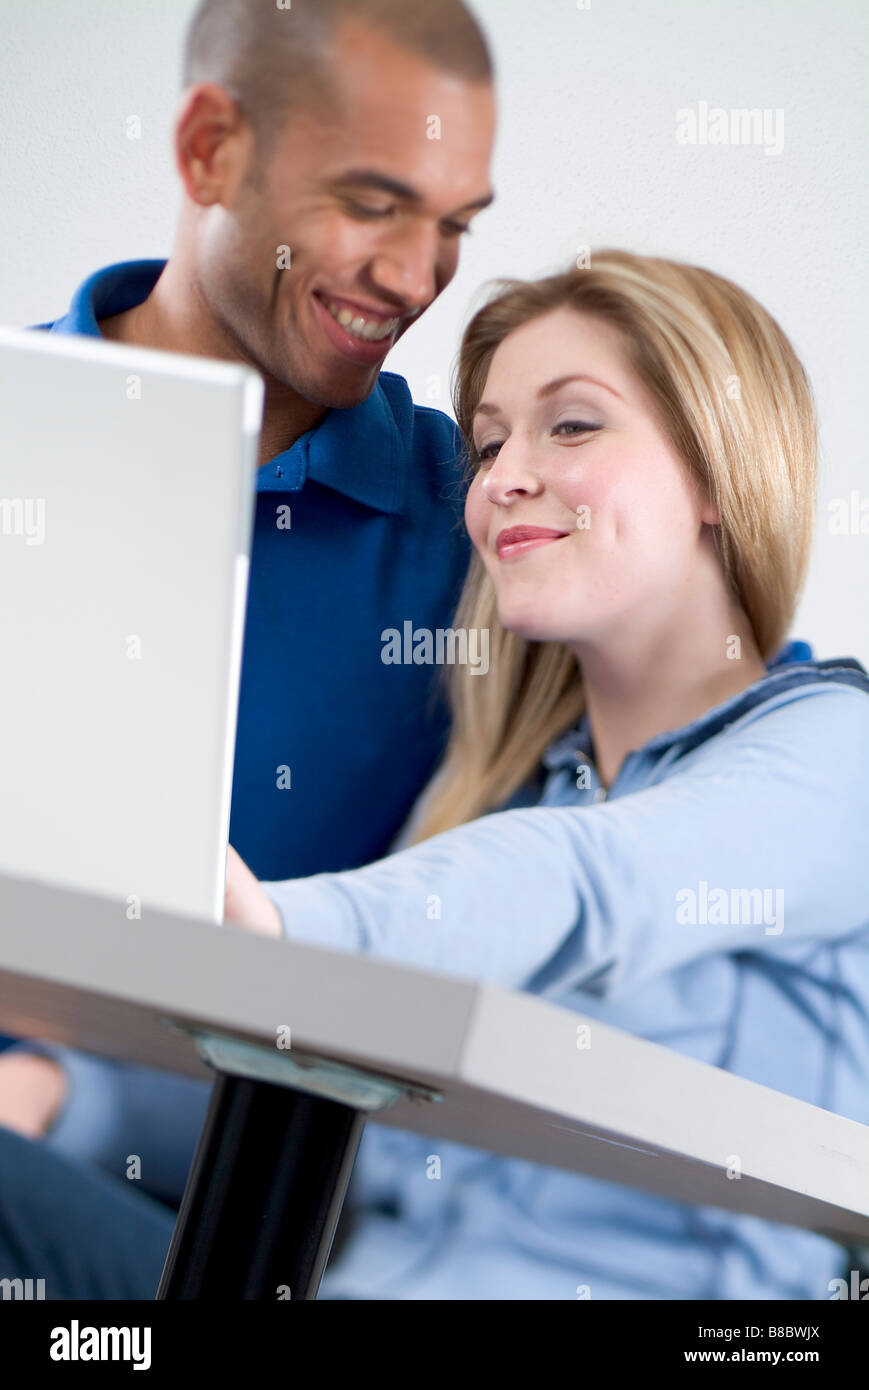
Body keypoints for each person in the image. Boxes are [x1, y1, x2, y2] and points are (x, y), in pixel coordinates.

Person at [3, 250, 864, 1298]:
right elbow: (339, 1099)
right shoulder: (517, 797)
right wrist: (62, 1092)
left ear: (719, 473)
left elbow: (600, 883)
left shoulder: (829, 754)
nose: (502, 477)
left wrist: (275, 935)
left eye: (573, 424)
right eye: (489, 442)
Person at [0, 0, 495, 1268]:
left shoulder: (486, 532)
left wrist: (58, 1094)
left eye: (452, 226)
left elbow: (747, 708)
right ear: (209, 149)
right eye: (374, 203)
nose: (414, 276)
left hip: (235, 1228)